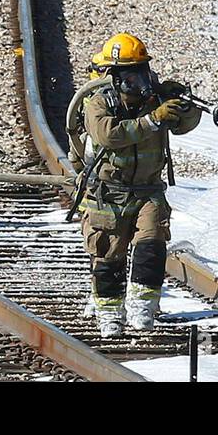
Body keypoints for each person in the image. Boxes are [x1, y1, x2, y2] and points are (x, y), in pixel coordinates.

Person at [73, 33, 199, 338]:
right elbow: (108, 135)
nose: (138, 81)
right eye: (130, 74)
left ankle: (143, 309)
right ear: (113, 76)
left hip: (148, 191)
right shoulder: (97, 104)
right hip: (108, 193)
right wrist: (152, 120)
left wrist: (183, 102)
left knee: (151, 246)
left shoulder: (154, 100)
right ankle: (109, 316)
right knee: (109, 256)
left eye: (141, 71)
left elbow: (185, 124)